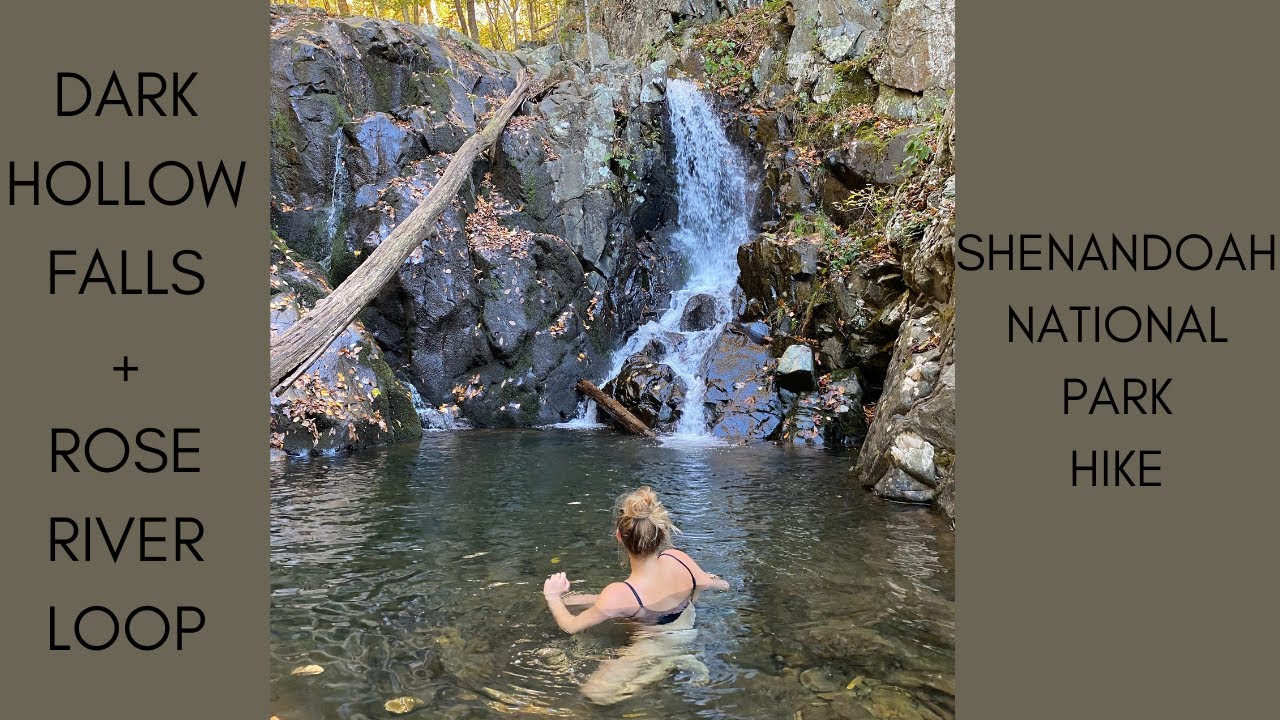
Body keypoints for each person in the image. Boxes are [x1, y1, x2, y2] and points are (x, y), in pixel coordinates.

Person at [542, 486, 730, 704]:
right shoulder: (679, 559)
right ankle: (672, 656)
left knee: (596, 694)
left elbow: (570, 626)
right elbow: (720, 585)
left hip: (655, 644)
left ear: (619, 537)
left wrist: (552, 597)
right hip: (689, 626)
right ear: (662, 533)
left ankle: (667, 661)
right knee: (576, 601)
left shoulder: (619, 594)